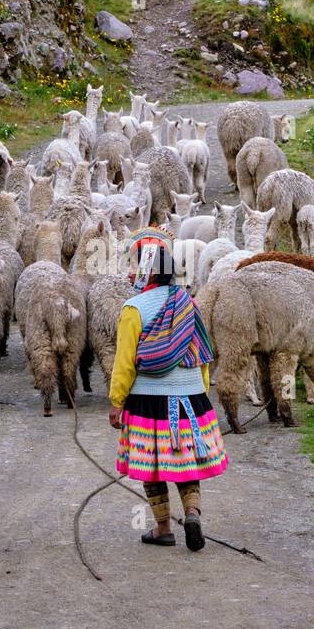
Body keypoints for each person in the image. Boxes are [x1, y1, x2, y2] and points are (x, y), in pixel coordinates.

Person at [110, 227, 228, 551]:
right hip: (190, 399)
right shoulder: (189, 304)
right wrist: (200, 391)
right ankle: (192, 513)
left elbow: (125, 362)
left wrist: (117, 402)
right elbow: (202, 354)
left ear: (146, 271)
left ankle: (162, 528)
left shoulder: (134, 308)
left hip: (148, 401)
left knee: (151, 465)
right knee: (186, 460)